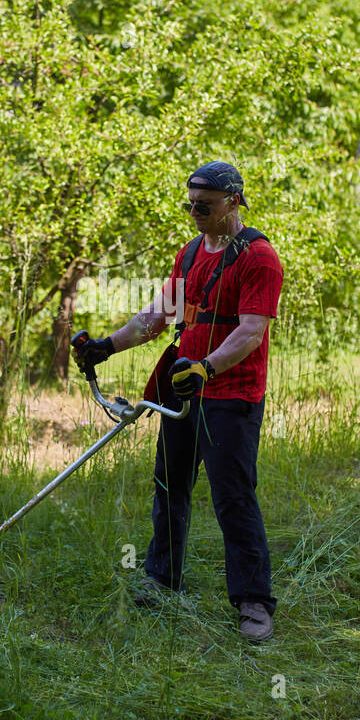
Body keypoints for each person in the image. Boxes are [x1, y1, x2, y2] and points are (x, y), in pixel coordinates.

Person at [72, 160, 283, 642]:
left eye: (203, 205)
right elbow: (160, 315)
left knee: (233, 498)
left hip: (230, 395)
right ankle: (162, 578)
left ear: (233, 201)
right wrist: (107, 345)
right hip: (181, 393)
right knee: (170, 487)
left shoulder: (259, 258)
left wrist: (207, 367)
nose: (194, 212)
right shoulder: (189, 255)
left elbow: (251, 332)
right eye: (189, 204)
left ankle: (254, 602)